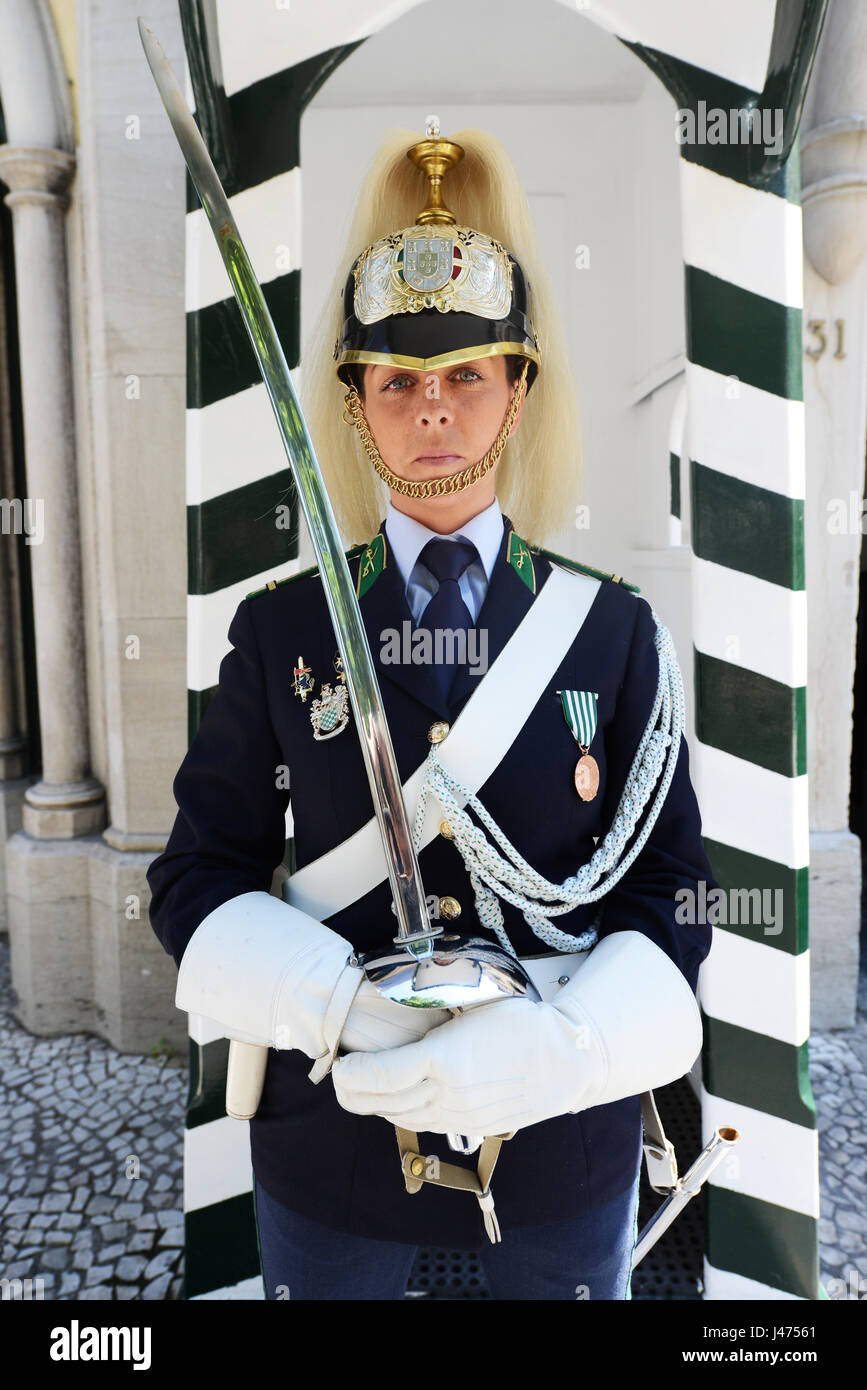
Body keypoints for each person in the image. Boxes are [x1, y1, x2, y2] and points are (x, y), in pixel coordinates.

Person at [147, 124, 716, 1301]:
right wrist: (337, 1004)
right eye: (399, 381)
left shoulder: (609, 635)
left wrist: (561, 1055)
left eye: (466, 375)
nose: (435, 410)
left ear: (518, 391)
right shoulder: (283, 631)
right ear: (357, 404)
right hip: (335, 1150)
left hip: (563, 1153)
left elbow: (674, 899)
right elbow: (197, 877)